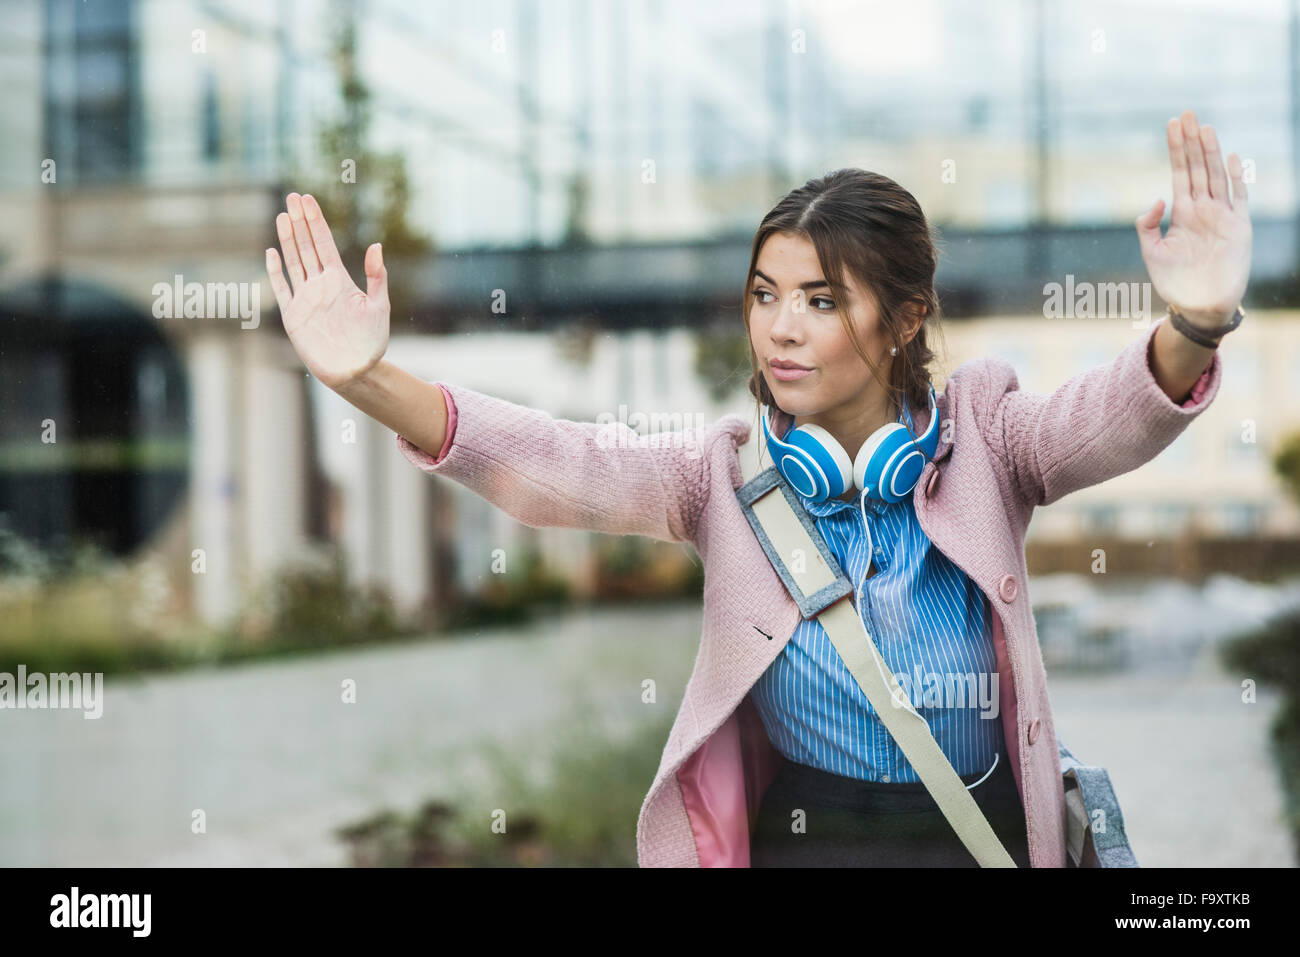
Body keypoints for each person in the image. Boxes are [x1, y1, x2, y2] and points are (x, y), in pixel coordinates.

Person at [264, 108, 1250, 867]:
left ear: (905, 318)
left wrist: (1193, 327)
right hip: (803, 840)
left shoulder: (989, 438)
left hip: (976, 834)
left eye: (821, 301)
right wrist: (367, 382)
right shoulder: (717, 475)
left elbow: (1110, 411)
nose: (779, 328)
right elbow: (557, 463)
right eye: (765, 295)